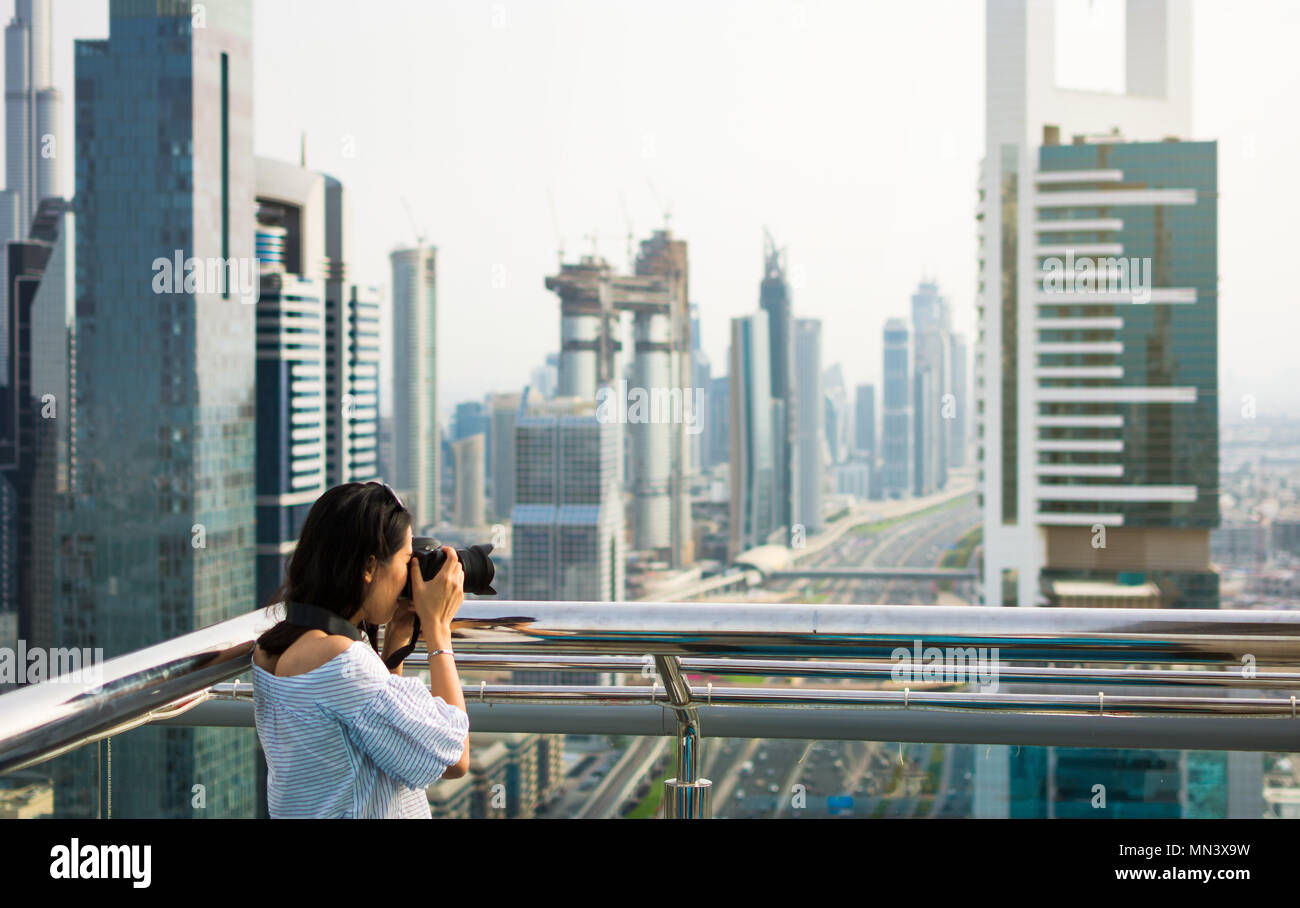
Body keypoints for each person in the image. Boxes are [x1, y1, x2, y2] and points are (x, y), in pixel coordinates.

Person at [251, 481, 470, 818]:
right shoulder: (342, 661)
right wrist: (439, 628)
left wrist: (394, 644)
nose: (409, 577)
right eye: (406, 560)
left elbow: (371, 745)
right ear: (369, 568)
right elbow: (454, 756)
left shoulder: (273, 650)